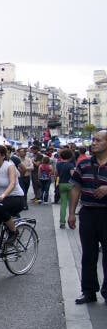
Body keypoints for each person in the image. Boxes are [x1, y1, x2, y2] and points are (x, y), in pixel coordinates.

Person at [67, 129, 107, 305]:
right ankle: (88, 291)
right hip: (88, 212)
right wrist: (71, 213)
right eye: (93, 139)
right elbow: (75, 188)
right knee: (88, 254)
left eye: (98, 140)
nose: (94, 142)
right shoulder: (83, 164)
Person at [55, 148, 76, 228]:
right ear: (70, 156)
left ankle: (62, 223)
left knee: (63, 204)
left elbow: (56, 174)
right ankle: (71, 221)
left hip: (61, 184)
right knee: (71, 204)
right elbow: (73, 176)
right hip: (70, 185)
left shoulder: (58, 164)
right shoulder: (71, 165)